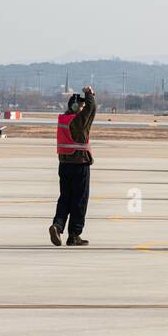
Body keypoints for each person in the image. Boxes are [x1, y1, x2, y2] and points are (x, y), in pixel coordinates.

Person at [50, 86, 96, 247]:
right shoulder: (78, 121)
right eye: (81, 107)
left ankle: (57, 225)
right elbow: (92, 109)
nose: (83, 109)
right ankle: (74, 235)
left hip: (64, 164)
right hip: (80, 165)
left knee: (65, 198)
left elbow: (87, 109)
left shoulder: (63, 119)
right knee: (79, 200)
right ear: (76, 107)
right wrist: (89, 94)